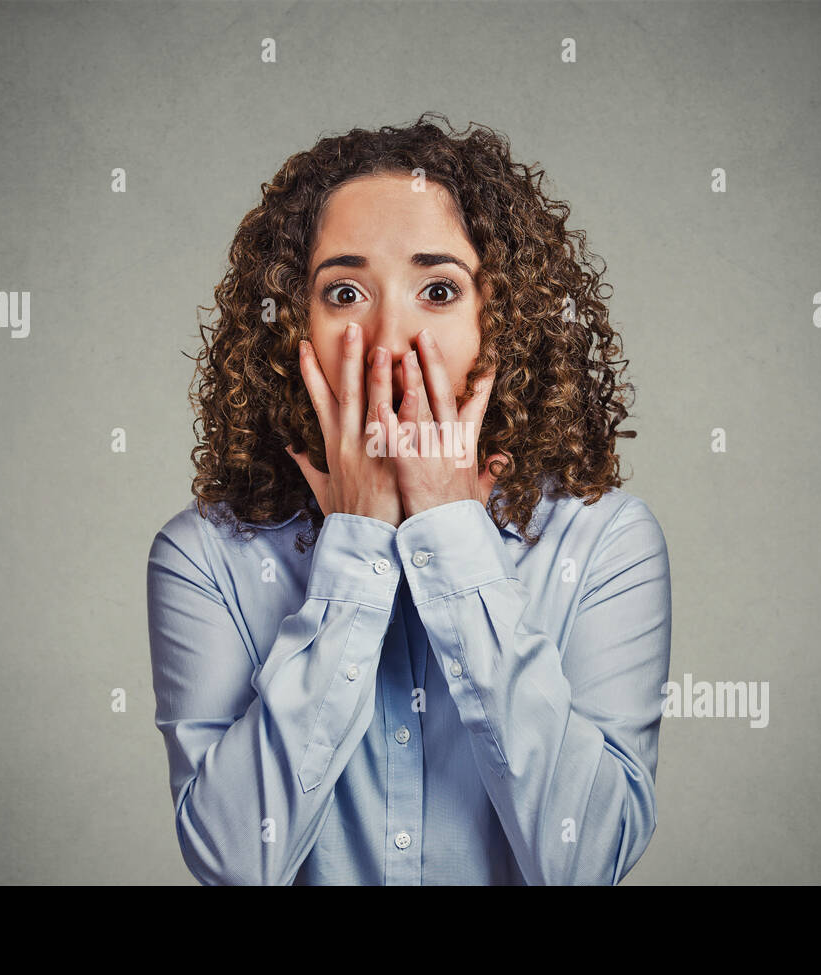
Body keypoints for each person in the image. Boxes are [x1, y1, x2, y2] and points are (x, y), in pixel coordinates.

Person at [146, 112, 672, 885]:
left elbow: (587, 859)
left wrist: (451, 534)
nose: (390, 338)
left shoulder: (607, 542)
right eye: (346, 290)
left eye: (437, 289)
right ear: (293, 325)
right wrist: (355, 543)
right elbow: (233, 861)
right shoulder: (204, 555)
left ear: (505, 323)